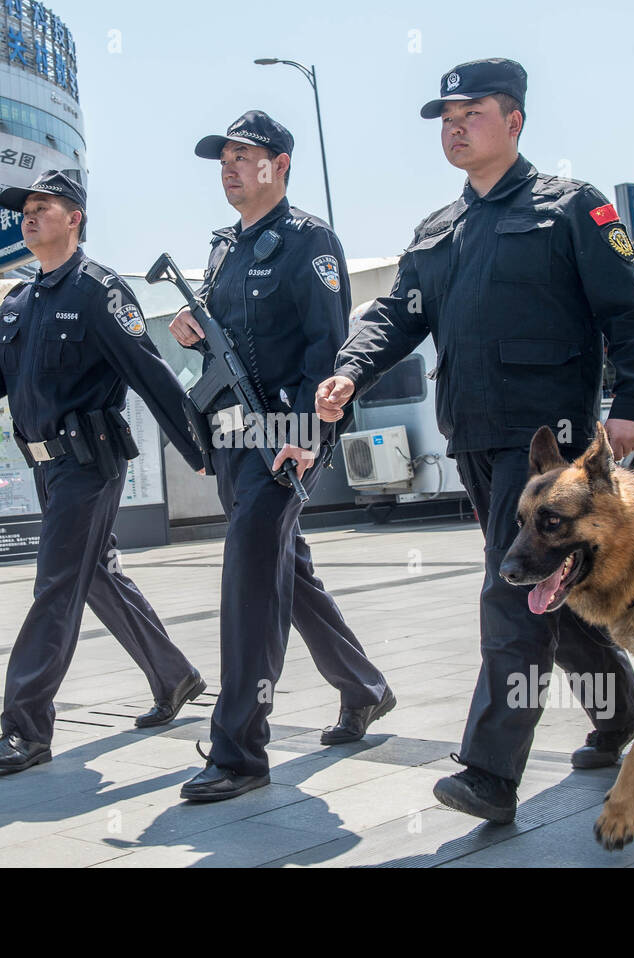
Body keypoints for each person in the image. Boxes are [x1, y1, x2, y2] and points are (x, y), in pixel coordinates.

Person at [316, 59, 634, 824]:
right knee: (542, 590)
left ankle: (490, 773)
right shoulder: (439, 230)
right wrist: (349, 371)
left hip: (545, 447)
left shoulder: (571, 208)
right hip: (471, 437)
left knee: (510, 594)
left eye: (472, 113)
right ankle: (619, 713)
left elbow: (629, 312)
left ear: (515, 122)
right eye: (447, 117)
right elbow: (395, 315)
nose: (455, 127)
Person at [0, 170, 208, 773]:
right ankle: (174, 676)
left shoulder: (99, 291)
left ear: (75, 218)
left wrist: (205, 452)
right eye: (26, 208)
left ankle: (26, 727)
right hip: (45, 466)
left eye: (44, 206)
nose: (30, 215)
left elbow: (151, 374)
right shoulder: (20, 301)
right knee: (92, 575)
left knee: (56, 585)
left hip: (90, 465)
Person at [168, 111, 394, 802]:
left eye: (245, 156)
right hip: (233, 439)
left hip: (285, 439)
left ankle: (239, 750)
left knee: (248, 577)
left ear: (281, 163)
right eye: (224, 159)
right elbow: (226, 342)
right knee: (285, 571)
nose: (231, 168)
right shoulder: (223, 249)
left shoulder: (309, 242)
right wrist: (192, 333)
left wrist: (305, 435)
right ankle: (364, 687)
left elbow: (324, 349)